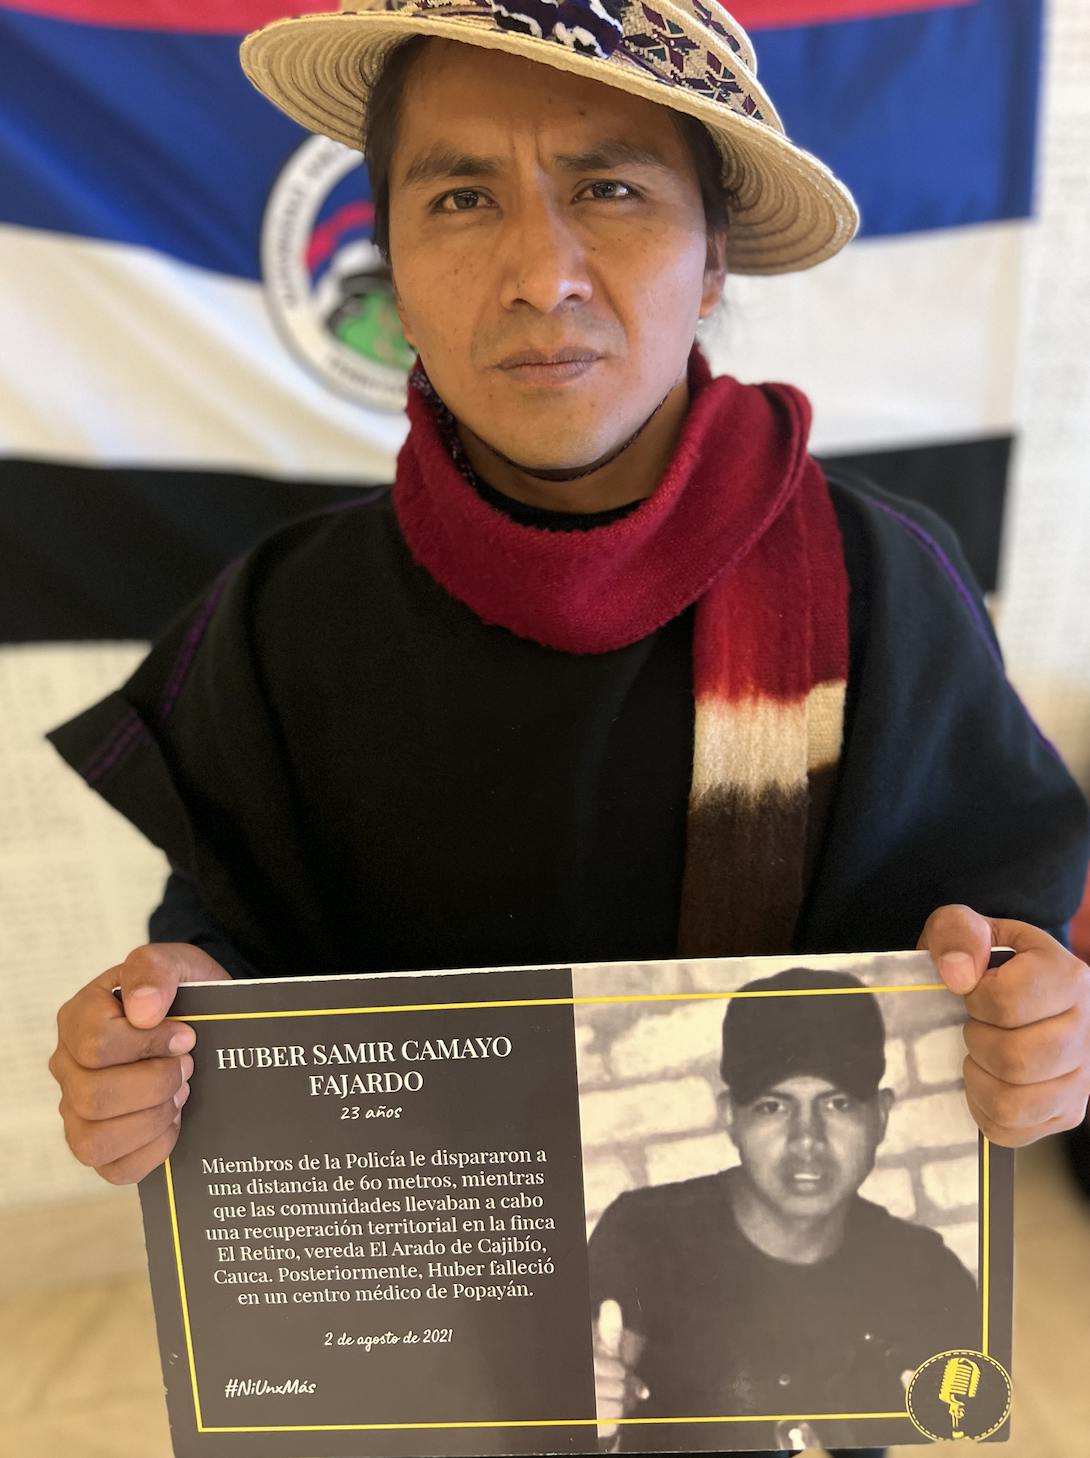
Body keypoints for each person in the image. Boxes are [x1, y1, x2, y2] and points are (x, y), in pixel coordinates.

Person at [44, 2, 1090, 1455]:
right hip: (415, 1387)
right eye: (460, 196)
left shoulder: (879, 586)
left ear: (715, 252)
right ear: (393, 266)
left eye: (610, 188)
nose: (541, 274)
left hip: (775, 1407)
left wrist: (1035, 1028)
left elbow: (996, 946)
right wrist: (156, 1043)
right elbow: (225, 945)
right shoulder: (288, 619)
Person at [589, 968, 981, 1453]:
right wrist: (582, 1417)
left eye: (837, 1104)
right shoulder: (644, 1235)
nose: (807, 1141)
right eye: (773, 1107)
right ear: (731, 1117)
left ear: (880, 1117)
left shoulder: (923, 1270)